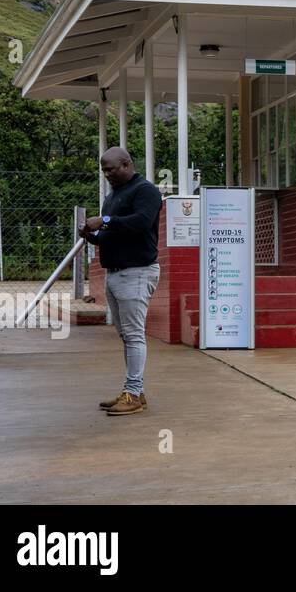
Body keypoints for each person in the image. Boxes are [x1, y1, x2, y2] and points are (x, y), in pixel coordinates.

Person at [80, 147, 163, 416]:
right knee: (126, 335)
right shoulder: (113, 196)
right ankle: (134, 391)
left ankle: (133, 393)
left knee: (134, 335)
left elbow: (141, 222)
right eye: (103, 170)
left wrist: (103, 220)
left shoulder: (145, 191)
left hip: (137, 272)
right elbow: (112, 234)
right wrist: (91, 236)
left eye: (111, 169)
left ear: (127, 164)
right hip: (115, 273)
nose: (107, 174)